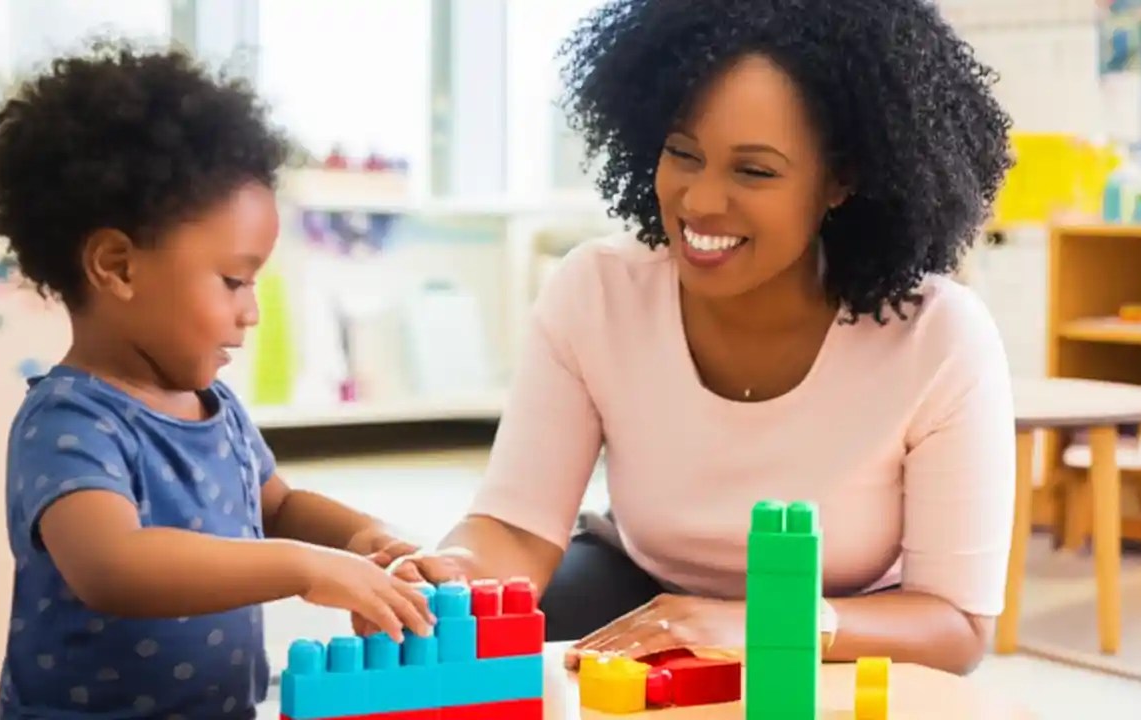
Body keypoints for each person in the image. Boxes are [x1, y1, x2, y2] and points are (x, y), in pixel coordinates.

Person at [408, 0, 1018, 676]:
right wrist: (450, 575)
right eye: (683, 154)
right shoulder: (597, 292)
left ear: (842, 179)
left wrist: (758, 628)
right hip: (637, 591)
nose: (699, 202)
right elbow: (518, 530)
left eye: (753, 171)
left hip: (845, 625)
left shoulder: (939, 338)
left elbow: (956, 625)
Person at [0, 44, 433, 718]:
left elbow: (276, 506)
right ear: (118, 266)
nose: (250, 311)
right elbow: (115, 565)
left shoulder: (213, 406)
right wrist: (303, 568)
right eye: (233, 280)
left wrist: (360, 538)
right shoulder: (69, 422)